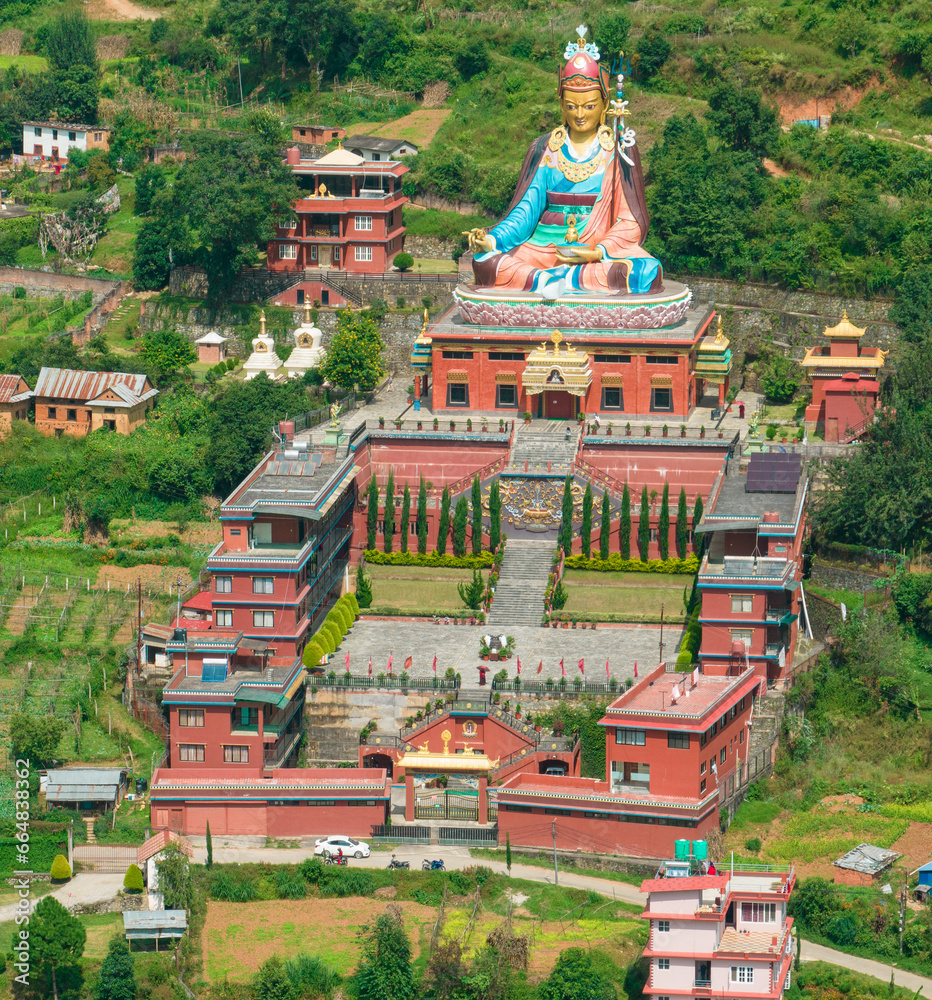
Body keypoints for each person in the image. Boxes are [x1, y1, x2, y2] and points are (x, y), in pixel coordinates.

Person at [463, 26, 662, 299]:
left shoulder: (619, 147)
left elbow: (631, 220)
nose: (580, 114)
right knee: (485, 261)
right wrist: (493, 239)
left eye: (589, 106)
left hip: (592, 252)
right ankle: (549, 278)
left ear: (605, 105)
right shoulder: (546, 147)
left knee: (645, 272)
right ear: (561, 106)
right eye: (571, 106)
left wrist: (598, 251)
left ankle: (552, 281)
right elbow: (526, 211)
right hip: (542, 250)